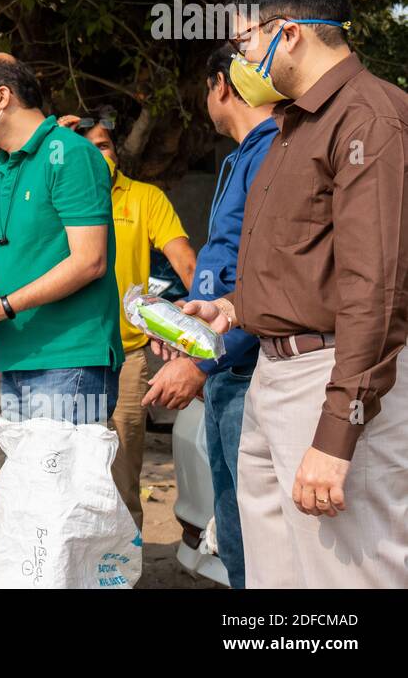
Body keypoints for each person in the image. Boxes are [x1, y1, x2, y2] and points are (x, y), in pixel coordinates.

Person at [169, 0, 408, 587]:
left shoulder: (370, 119)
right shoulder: (290, 128)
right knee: (279, 577)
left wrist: (338, 432)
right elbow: (302, 261)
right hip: (270, 378)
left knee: (348, 576)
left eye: (244, 41)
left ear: (289, 31)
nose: (240, 59)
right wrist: (233, 310)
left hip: (329, 377)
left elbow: (376, 288)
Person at [142, 44, 278, 588]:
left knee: (257, 540)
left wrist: (201, 362)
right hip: (225, 364)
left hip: (249, 367)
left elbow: (270, 279)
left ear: (221, 84)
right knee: (235, 532)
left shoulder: (274, 153)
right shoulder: (240, 156)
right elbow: (226, 270)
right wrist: (189, 326)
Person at [0, 54, 124, 431]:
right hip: (17, 356)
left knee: (64, 487)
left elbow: (90, 261)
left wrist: (2, 307)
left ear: (1, 96)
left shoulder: (70, 153)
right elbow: (12, 262)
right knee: (31, 488)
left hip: (70, 357)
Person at [58, 111, 197, 532]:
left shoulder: (144, 198)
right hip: (62, 359)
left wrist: (202, 331)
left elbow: (187, 264)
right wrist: (50, 156)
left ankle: (122, 571)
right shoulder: (53, 196)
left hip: (125, 357)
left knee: (121, 475)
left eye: (102, 144)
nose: (96, 154)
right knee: (65, 473)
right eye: (85, 147)